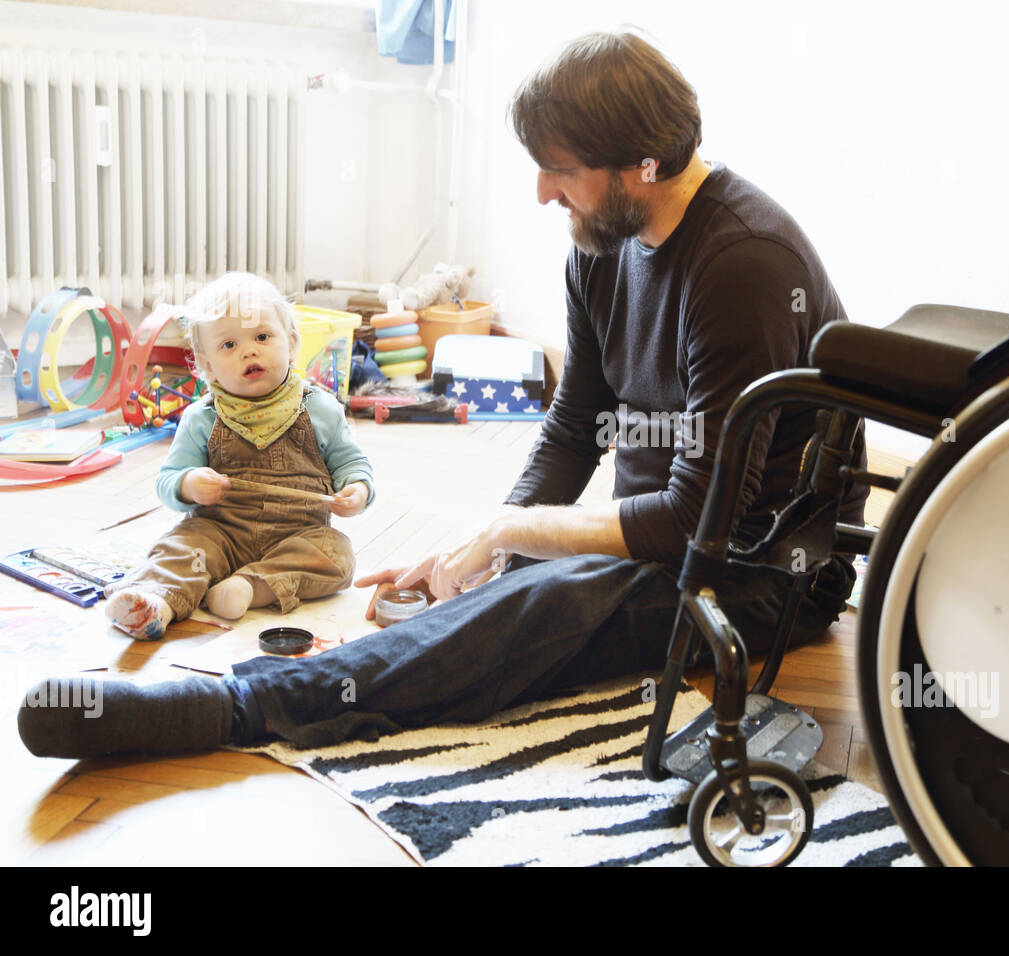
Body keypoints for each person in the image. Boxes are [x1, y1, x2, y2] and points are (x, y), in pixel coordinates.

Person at [17, 31, 864, 759]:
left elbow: (694, 523)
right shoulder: (601, 244)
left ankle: (237, 708)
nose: (541, 192)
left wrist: (510, 536)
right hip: (666, 539)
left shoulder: (746, 266)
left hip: (758, 573)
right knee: (507, 572)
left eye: (559, 170)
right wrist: (487, 543)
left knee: (542, 600)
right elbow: (574, 428)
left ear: (641, 165)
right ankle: (405, 642)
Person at [102, 271, 374, 640]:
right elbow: (168, 479)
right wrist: (190, 484)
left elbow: (352, 464)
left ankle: (249, 587)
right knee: (182, 549)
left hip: (298, 535)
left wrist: (356, 491)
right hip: (219, 534)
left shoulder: (320, 409)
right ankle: (155, 603)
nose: (249, 350)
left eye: (263, 336)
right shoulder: (203, 417)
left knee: (337, 557)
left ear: (291, 342)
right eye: (228, 345)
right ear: (207, 365)